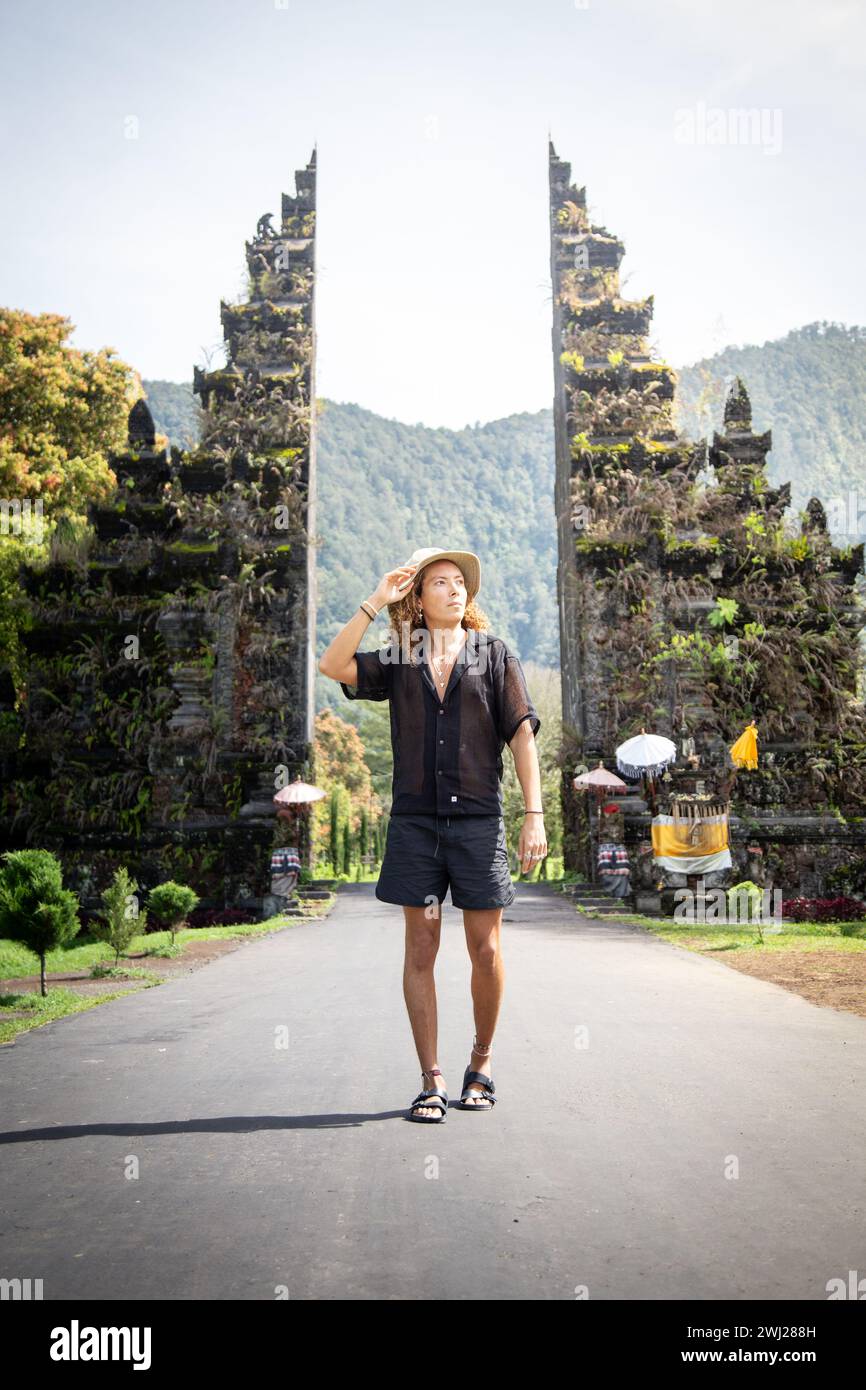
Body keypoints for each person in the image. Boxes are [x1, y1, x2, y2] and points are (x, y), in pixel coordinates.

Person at [318, 547, 546, 1123]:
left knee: (486, 948)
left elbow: (522, 738)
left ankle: (481, 1062)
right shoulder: (399, 656)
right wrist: (376, 601)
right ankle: (431, 1078)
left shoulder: (495, 656)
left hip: (478, 821)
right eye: (439, 583)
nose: (454, 590)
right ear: (417, 598)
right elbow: (333, 665)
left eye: (460, 583)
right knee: (421, 948)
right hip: (417, 826)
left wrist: (534, 815)